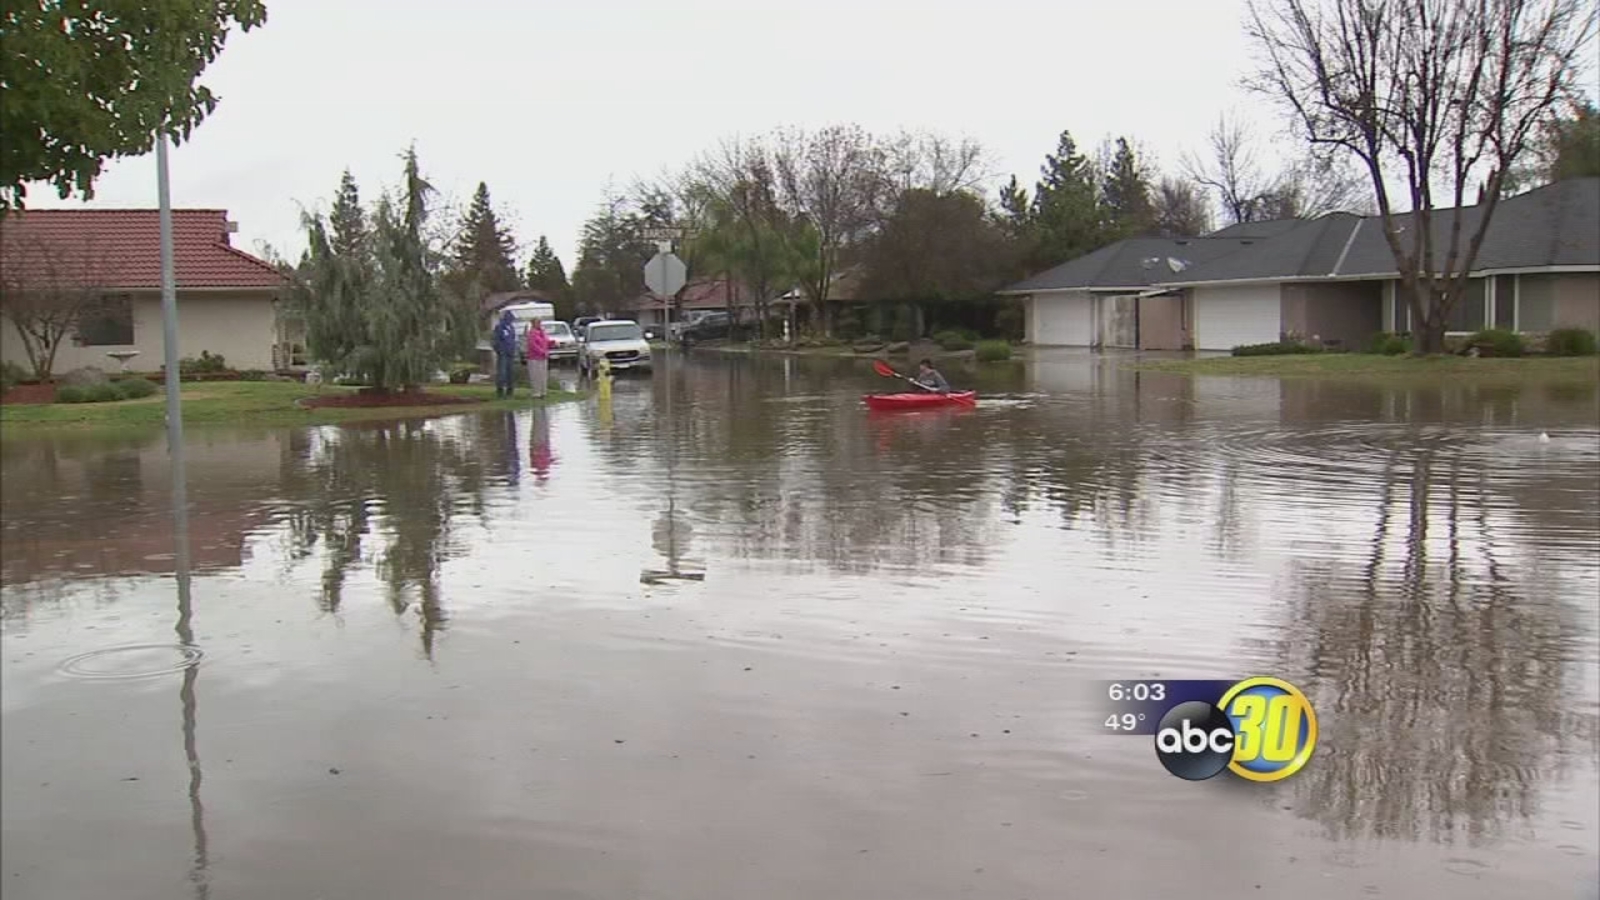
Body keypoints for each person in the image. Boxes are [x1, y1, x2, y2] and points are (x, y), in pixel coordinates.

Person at [492, 310, 518, 398]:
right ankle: (500, 390)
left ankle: (510, 391)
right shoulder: (499, 327)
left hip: (510, 352)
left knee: (510, 372)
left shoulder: (511, 328)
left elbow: (513, 339)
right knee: (502, 372)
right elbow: (495, 340)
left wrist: (514, 349)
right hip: (503, 353)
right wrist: (499, 350)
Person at [526, 319, 552, 399]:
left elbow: (546, 342)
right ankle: (536, 393)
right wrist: (541, 352)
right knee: (535, 376)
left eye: (540, 322)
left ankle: (543, 392)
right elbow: (532, 345)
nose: (539, 324)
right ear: (533, 324)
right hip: (534, 358)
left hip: (543, 357)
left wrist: (553, 343)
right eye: (537, 323)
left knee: (543, 375)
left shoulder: (543, 332)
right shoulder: (532, 333)